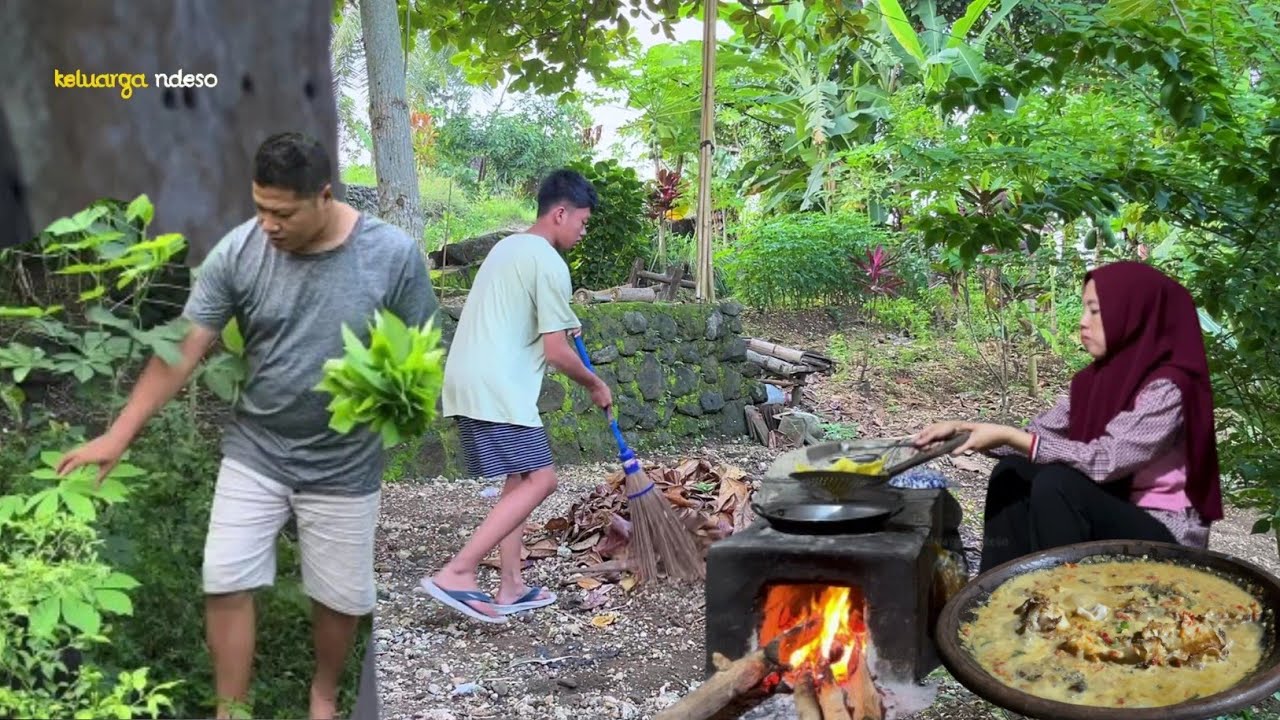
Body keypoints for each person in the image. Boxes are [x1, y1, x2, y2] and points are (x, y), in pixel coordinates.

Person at [56, 132, 436, 719]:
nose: (268, 224)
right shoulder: (240, 252)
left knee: (340, 598)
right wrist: (119, 433)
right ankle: (229, 709)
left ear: (324, 196)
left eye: (283, 213)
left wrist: (397, 398)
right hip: (257, 448)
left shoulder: (392, 255)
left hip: (346, 460)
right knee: (225, 576)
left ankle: (323, 693)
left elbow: (424, 348)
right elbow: (182, 350)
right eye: (260, 208)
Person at [913, 261, 1221, 573]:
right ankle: (998, 585)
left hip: (1162, 529)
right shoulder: (1094, 381)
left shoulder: (1168, 387)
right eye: (1085, 310)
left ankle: (1063, 593)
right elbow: (1037, 435)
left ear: (1134, 314)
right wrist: (963, 434)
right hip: (1108, 502)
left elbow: (1107, 460)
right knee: (1013, 471)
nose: (1083, 322)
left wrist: (1011, 437)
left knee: (1058, 484)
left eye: (1095, 311)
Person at [419, 169, 612, 624]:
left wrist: (564, 320)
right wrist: (594, 384)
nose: (583, 232)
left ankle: (512, 585)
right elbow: (556, 351)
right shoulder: (548, 261)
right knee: (543, 480)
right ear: (560, 213)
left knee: (520, 478)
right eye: (583, 222)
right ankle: (458, 571)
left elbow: (524, 314)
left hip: (471, 378)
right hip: (498, 385)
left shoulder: (509, 248)